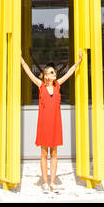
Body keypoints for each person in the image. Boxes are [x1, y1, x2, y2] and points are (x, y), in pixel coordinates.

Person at [21, 53, 84, 193]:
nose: (54, 73)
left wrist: (79, 61)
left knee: (54, 153)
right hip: (44, 124)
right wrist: (20, 58)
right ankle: (44, 182)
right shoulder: (41, 85)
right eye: (51, 72)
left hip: (55, 124)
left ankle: (52, 182)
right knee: (43, 153)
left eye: (54, 72)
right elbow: (27, 70)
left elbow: (69, 73)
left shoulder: (57, 85)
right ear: (46, 76)